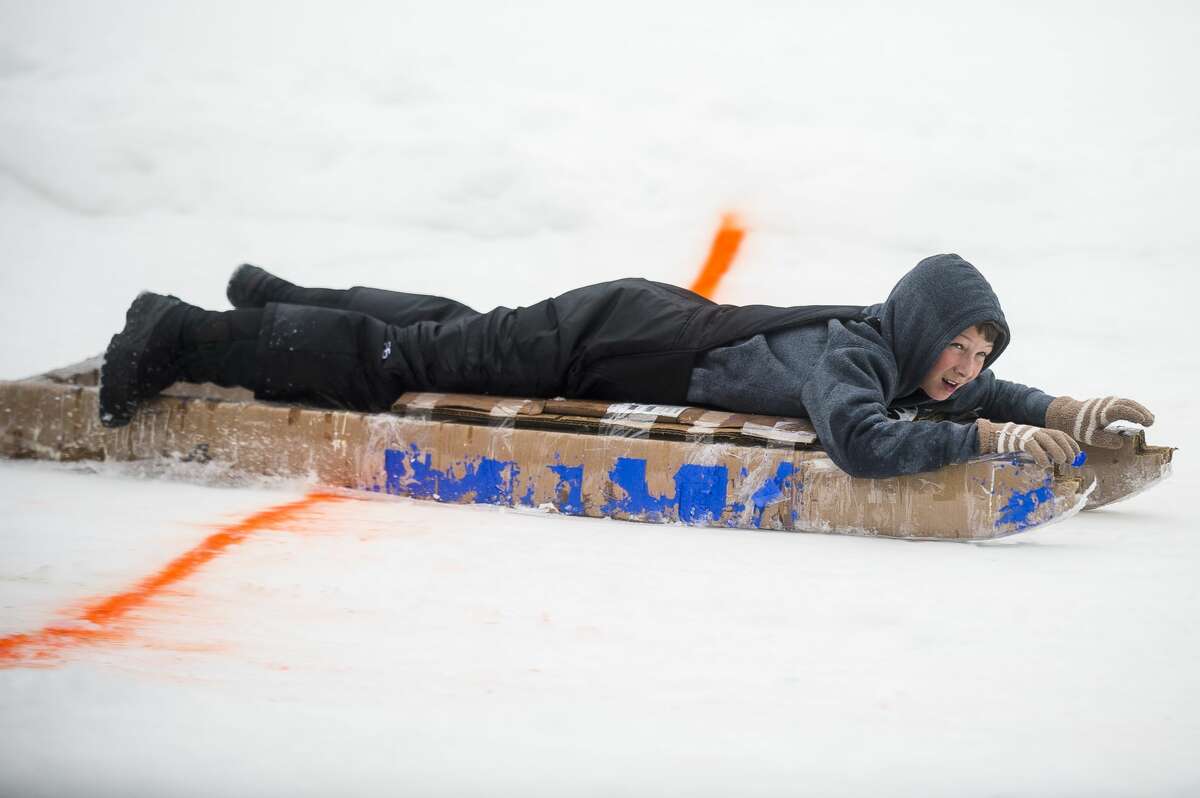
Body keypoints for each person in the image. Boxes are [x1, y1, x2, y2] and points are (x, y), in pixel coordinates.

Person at [98, 254, 1154, 479]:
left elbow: (970, 393)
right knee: (398, 364)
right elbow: (863, 443)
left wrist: (1065, 406)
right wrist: (984, 439)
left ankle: (272, 300)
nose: (965, 366)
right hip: (604, 343)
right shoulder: (855, 359)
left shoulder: (897, 344)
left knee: (455, 329)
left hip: (636, 324)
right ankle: (179, 331)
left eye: (981, 355)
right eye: (958, 346)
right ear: (922, 327)